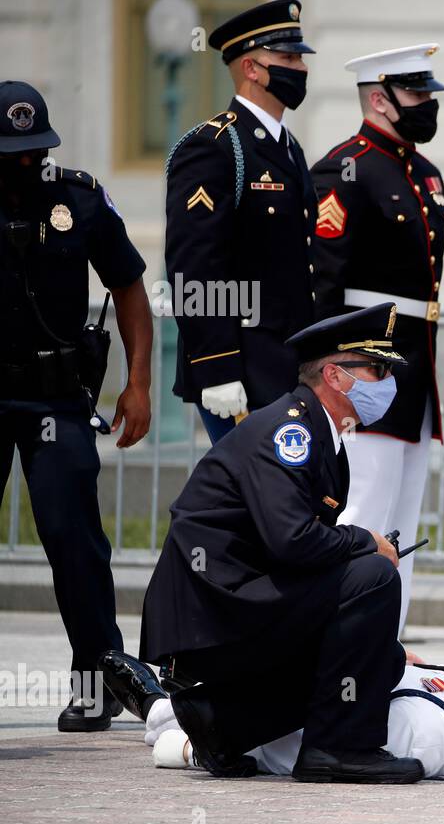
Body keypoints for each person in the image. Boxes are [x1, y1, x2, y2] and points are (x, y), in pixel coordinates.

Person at [138, 303, 424, 783]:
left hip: (239, 599)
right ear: (335, 375)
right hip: (216, 610)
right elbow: (292, 540)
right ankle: (337, 749)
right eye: (376, 369)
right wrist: (368, 542)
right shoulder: (290, 431)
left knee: (383, 659)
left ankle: (220, 722)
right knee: (374, 578)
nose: (386, 381)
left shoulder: (319, 433)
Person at [0, 80, 153, 731]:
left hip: (55, 398)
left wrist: (138, 380)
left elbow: (129, 287)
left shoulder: (79, 199)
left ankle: (99, 679)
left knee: (74, 540)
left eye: (35, 151)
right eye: (13, 153)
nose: (26, 164)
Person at [311, 44, 444, 635]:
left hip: (416, 373)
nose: (426, 105)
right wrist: (334, 375)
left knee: (399, 520)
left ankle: (385, 646)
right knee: (363, 513)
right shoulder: (345, 168)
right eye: (416, 94)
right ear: (379, 98)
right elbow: (323, 284)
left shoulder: (422, 172)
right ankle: (341, 644)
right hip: (367, 370)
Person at [164, 0, 317, 443]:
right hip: (241, 365)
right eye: (287, 58)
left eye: (300, 58)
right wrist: (216, 367)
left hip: (288, 362)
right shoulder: (214, 145)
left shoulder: (288, 147)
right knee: (252, 500)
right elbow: (194, 264)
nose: (300, 68)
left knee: (277, 503)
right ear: (251, 67)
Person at [100, 651, 444, 782]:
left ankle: (160, 707)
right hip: (313, 692)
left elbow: (344, 746)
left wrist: (221, 747)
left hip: (280, 728)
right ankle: (179, 699)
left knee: (177, 724)